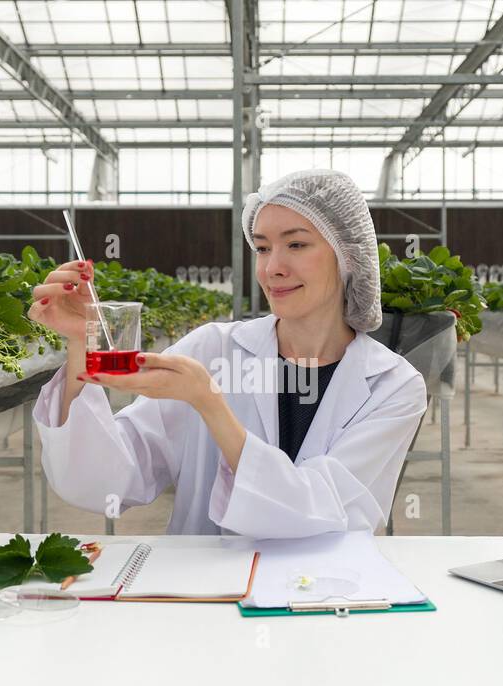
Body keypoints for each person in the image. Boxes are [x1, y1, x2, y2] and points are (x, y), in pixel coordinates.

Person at [26, 169, 427, 537]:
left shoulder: (393, 386)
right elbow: (106, 481)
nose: (273, 268)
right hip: (204, 600)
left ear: (349, 257)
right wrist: (82, 344)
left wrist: (209, 402)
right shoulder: (213, 349)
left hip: (326, 600)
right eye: (264, 248)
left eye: (297, 244)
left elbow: (320, 511)